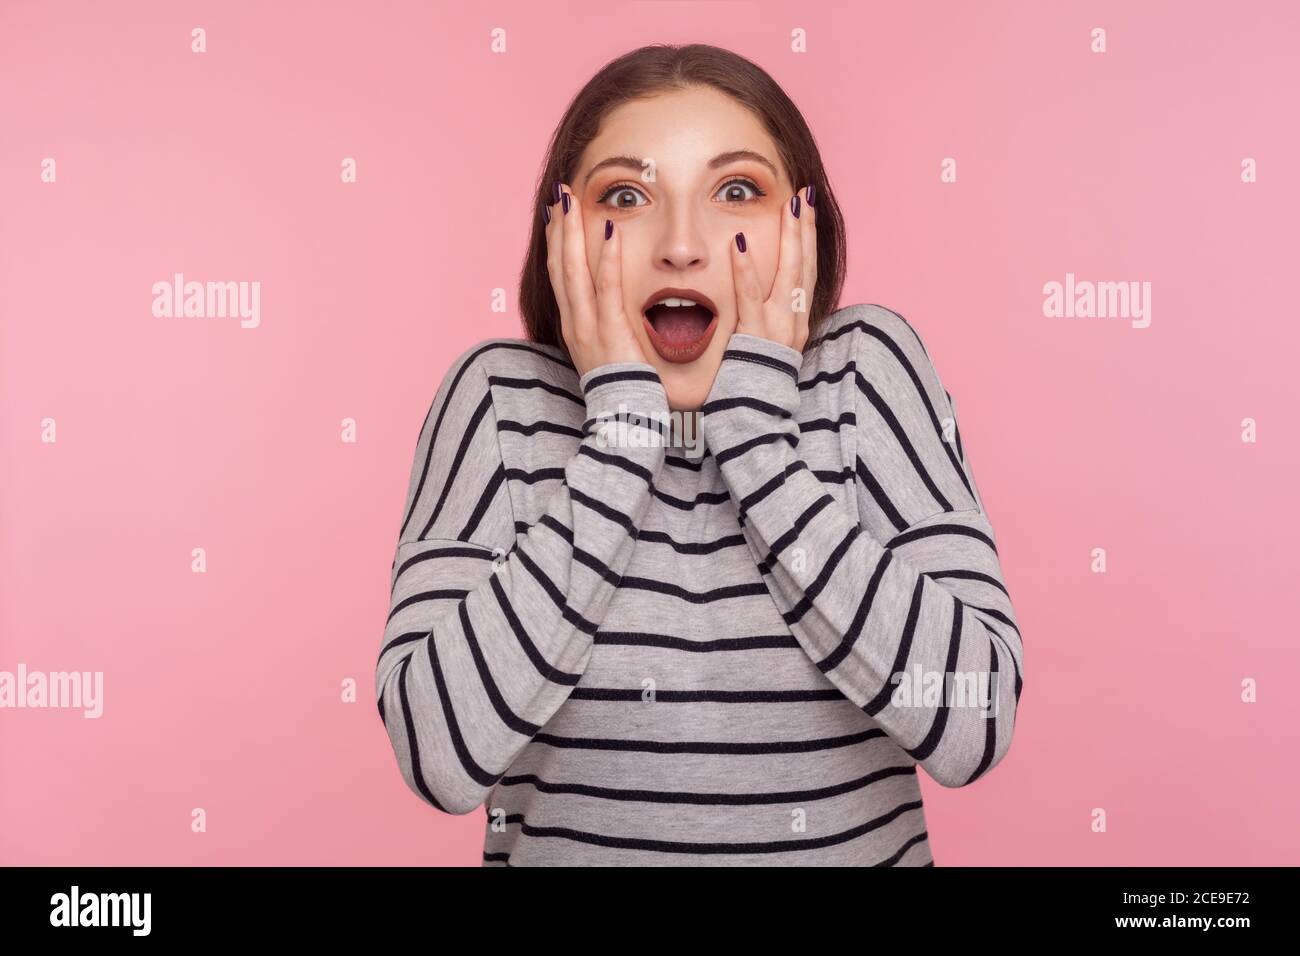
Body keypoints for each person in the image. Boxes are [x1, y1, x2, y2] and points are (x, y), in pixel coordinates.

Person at [375, 43, 1024, 865]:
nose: (682, 245)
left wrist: (756, 435)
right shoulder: (503, 401)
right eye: (628, 194)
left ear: (803, 225)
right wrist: (622, 435)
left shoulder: (865, 372)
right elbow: (437, 754)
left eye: (737, 190)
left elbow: (978, 717)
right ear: (561, 233)